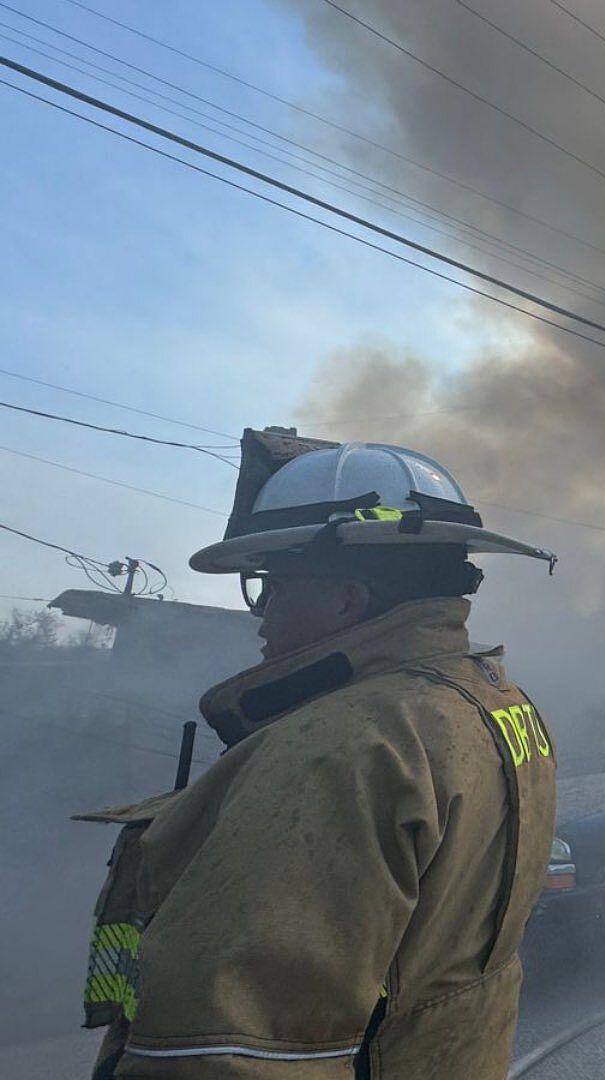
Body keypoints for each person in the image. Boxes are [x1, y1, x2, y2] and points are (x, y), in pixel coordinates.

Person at [78, 440, 559, 1078]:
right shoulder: (494, 700)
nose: (261, 617)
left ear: (346, 600)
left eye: (272, 587)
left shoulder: (338, 749)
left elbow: (234, 1054)